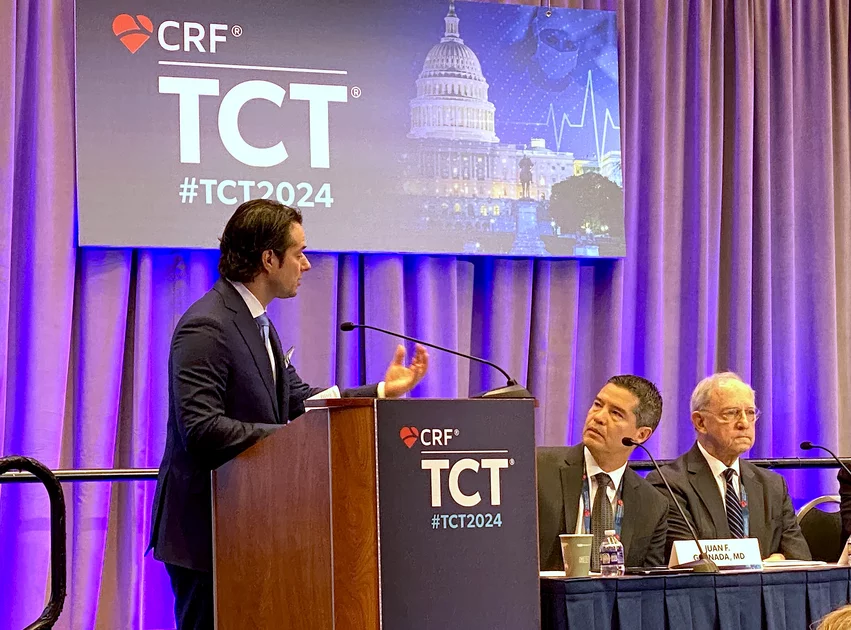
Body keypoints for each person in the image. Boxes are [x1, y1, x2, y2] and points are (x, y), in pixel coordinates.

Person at [148, 199, 429, 629]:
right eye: (299, 253)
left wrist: (380, 391)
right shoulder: (207, 325)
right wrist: (287, 439)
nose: (307, 264)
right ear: (268, 259)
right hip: (207, 535)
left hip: (250, 527)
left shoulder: (255, 320)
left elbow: (298, 399)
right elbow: (202, 428)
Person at [646, 372, 810, 561]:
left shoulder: (773, 485)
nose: (744, 423)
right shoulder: (668, 483)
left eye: (750, 413)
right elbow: (693, 561)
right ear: (700, 422)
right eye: (731, 413)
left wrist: (779, 562)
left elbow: (800, 558)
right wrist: (764, 563)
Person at [536, 375, 668, 571]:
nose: (598, 417)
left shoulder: (652, 505)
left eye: (616, 413)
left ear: (641, 435)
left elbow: (647, 583)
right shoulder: (538, 468)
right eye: (598, 405)